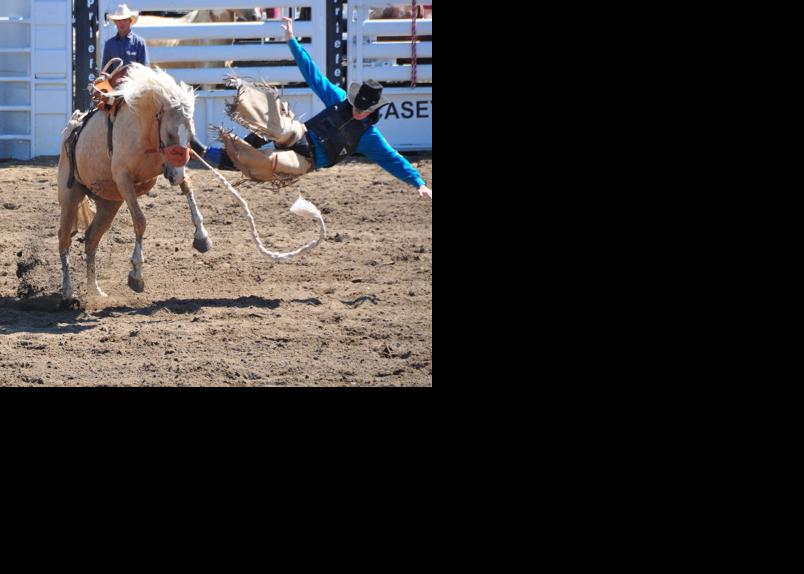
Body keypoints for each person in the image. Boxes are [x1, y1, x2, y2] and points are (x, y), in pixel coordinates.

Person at [193, 17, 432, 200]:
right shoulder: (339, 99)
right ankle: (239, 121)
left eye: (362, 110)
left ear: (372, 111)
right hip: (302, 134)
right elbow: (313, 75)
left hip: (307, 161)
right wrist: (292, 41)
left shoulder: (369, 138)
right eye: (356, 106)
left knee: (266, 163)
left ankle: (206, 153)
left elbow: (392, 159)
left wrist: (418, 183)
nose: (357, 112)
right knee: (275, 126)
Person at [101, 4, 149, 71]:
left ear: (130, 21)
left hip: (135, 77)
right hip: (115, 78)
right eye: (119, 20)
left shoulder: (139, 43)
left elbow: (145, 69)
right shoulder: (109, 44)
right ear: (115, 22)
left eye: (124, 20)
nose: (122, 23)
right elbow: (105, 71)